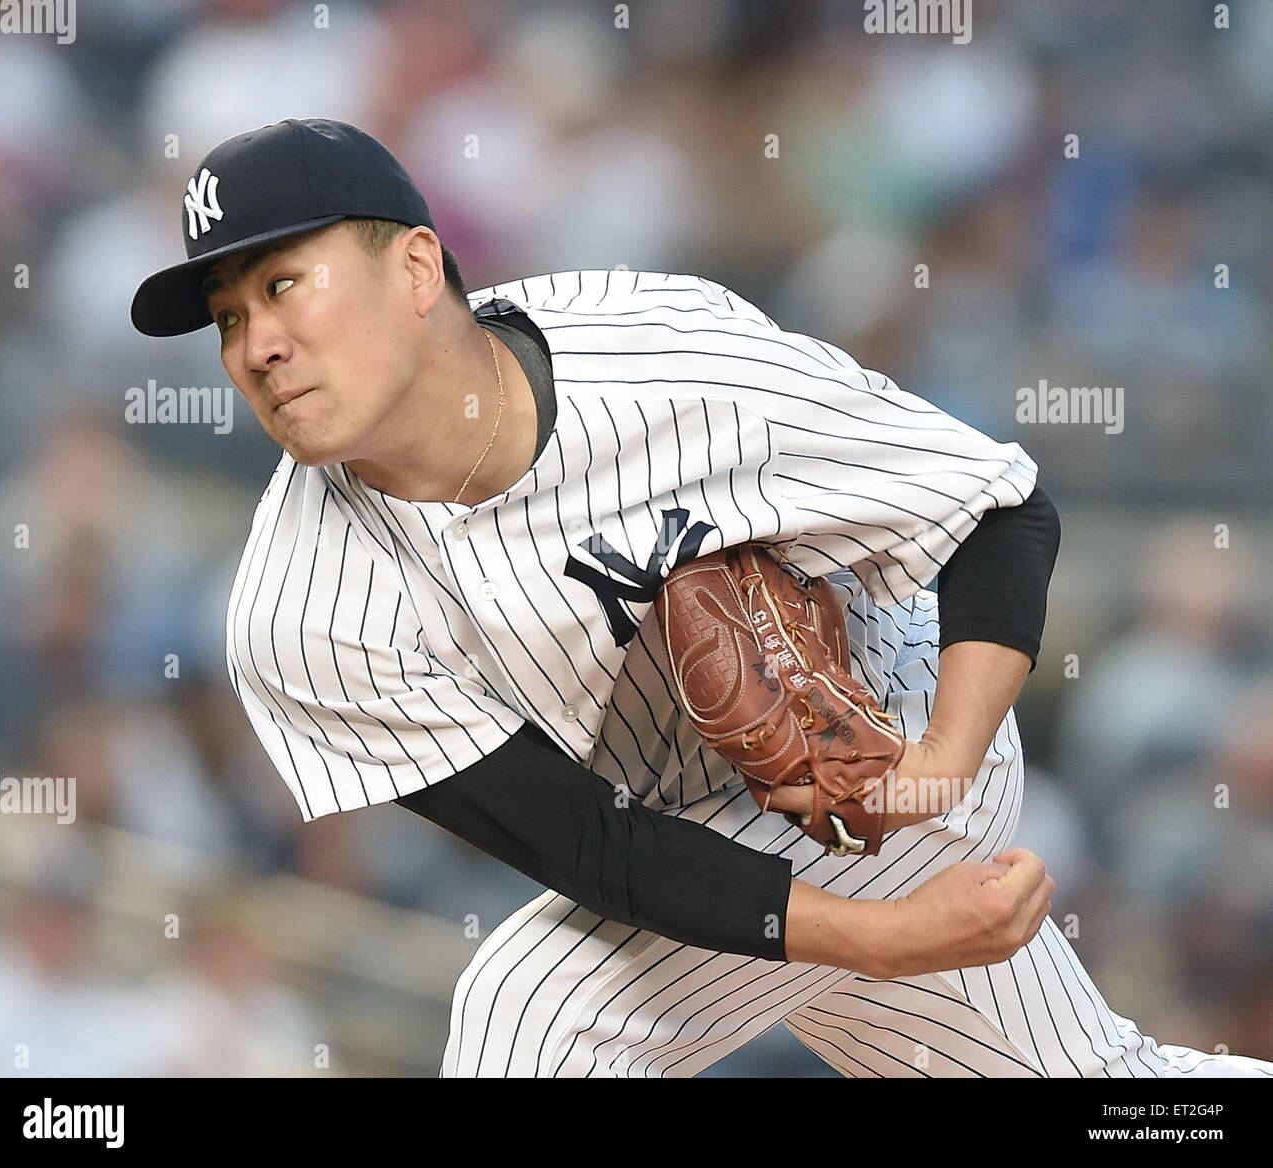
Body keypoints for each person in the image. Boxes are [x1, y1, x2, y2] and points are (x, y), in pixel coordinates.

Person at [131, 118, 1272, 1077]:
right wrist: (876, 939)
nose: (257, 346)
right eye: (229, 318)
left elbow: (996, 511)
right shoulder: (298, 610)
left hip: (887, 744)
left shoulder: (663, 353)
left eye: (283, 284)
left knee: (534, 1013)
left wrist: (944, 763)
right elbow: (597, 851)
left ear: (419, 269)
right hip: (687, 856)